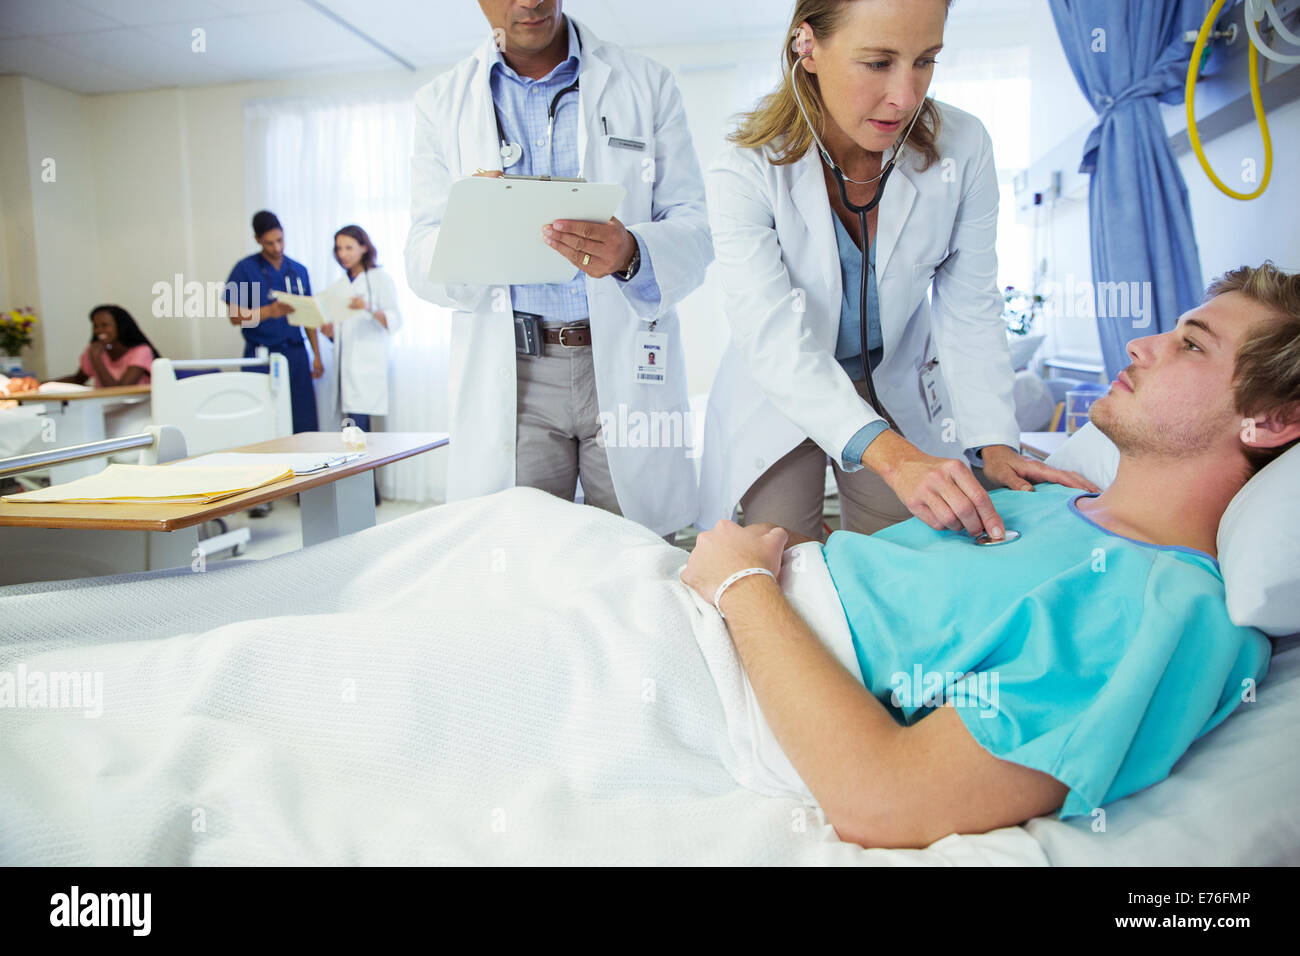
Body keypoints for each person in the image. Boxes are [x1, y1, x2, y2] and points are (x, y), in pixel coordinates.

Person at [680, 262, 1299, 846]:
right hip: (716, 602)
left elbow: (886, 799)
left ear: (1273, 421)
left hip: (725, 651)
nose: (1140, 345)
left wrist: (743, 583)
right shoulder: (1044, 498)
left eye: (1192, 345)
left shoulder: (1170, 606)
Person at [699, 0, 1092, 543]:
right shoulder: (745, 165)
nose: (906, 97)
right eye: (878, 62)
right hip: (781, 384)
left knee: (910, 546)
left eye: (926, 60)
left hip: (890, 379)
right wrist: (894, 457)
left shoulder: (964, 147)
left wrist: (995, 441)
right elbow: (771, 337)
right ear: (806, 46)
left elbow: (969, 306)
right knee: (783, 555)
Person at [405, 0, 713, 542]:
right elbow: (418, 255)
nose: (530, 1)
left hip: (622, 359)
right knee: (520, 557)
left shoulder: (645, 84)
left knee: (641, 554)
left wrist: (632, 252)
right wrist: (472, 229)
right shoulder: (441, 104)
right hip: (515, 373)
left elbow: (694, 226)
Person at [321, 225, 402, 507]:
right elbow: (341, 334)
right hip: (345, 369)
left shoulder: (380, 279)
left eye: (349, 248)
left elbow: (394, 321)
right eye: (339, 248)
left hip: (367, 368)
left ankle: (368, 494)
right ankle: (360, 493)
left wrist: (367, 307)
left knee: (360, 432)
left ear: (364, 247)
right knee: (352, 433)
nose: (342, 254)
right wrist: (328, 332)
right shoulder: (338, 287)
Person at [223, 210, 324, 435]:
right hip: (262, 355)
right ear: (257, 240)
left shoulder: (298, 271)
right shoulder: (244, 270)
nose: (277, 248)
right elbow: (235, 316)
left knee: (303, 420)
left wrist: (316, 354)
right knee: (263, 420)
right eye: (270, 243)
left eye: (280, 240)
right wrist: (270, 311)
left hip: (296, 354)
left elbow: (308, 316)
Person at [53, 305, 159, 387]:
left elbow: (120, 392)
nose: (99, 330)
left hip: (136, 408)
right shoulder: (94, 349)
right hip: (103, 406)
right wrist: (46, 384)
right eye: (96, 326)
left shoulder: (141, 351)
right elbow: (78, 379)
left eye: (105, 325)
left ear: (120, 327)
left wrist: (97, 359)